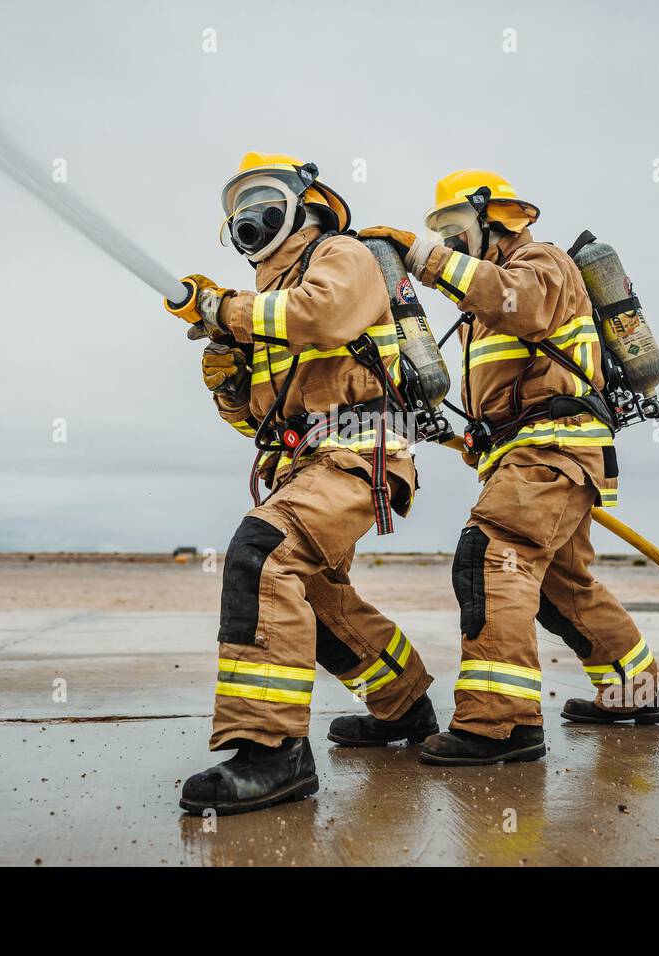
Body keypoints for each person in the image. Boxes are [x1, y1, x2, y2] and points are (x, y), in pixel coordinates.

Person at [360, 170, 659, 768]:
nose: (447, 241)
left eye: (453, 229)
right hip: (535, 451)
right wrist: (464, 432)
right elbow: (505, 396)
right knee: (560, 588)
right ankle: (635, 690)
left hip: (553, 449)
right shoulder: (481, 307)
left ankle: (501, 725)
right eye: (439, 233)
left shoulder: (541, 261)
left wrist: (421, 256)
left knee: (491, 556)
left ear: (497, 219)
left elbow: (518, 302)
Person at [165, 152, 438, 815]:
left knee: (261, 555)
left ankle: (273, 751)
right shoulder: (268, 304)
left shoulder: (340, 255)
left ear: (303, 202)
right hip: (305, 460)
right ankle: (404, 705)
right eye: (236, 209)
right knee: (315, 602)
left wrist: (221, 309)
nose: (247, 217)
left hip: (360, 450)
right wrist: (229, 381)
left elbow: (322, 317)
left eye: (260, 198)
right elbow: (262, 419)